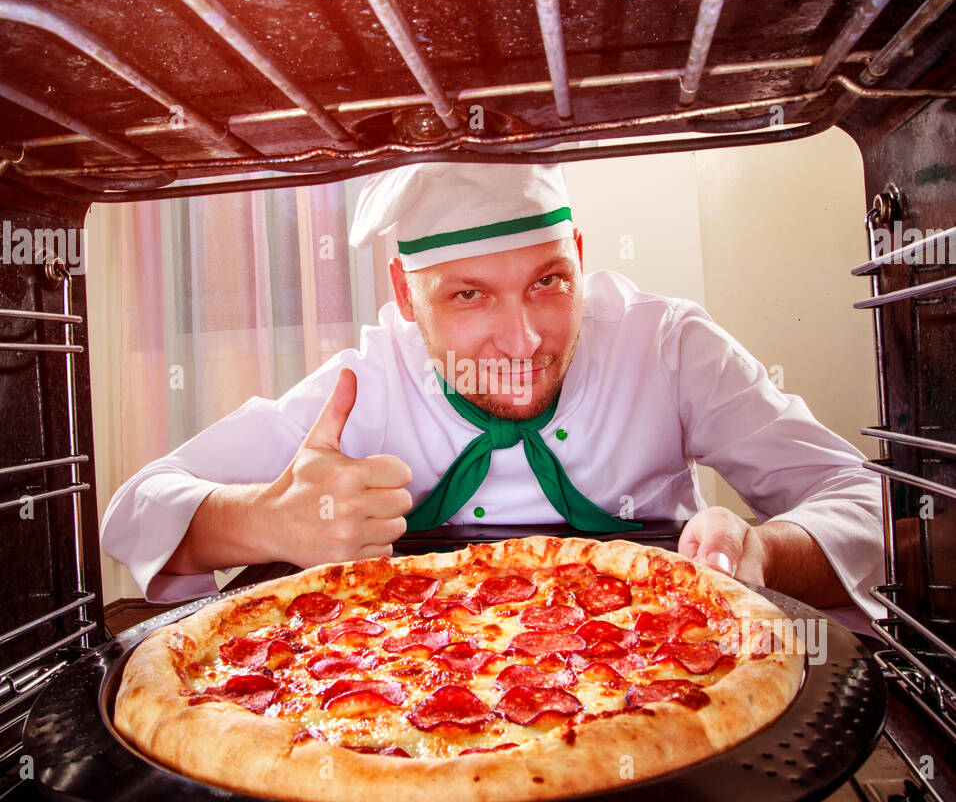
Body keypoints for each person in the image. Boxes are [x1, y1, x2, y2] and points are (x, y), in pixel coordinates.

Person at [100, 161, 885, 631]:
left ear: (580, 256)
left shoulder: (669, 347)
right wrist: (267, 521)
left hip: (648, 668)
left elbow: (859, 497)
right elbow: (136, 507)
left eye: (549, 282)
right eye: (469, 296)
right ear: (406, 298)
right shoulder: (365, 386)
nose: (521, 340)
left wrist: (762, 553)